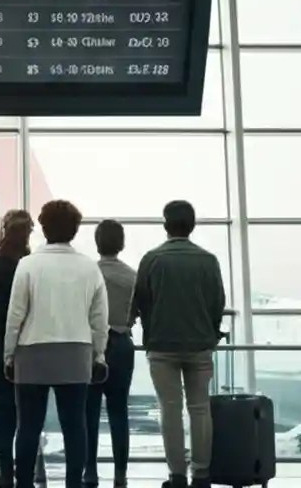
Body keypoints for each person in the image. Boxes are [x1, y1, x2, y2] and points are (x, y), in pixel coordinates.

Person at [4, 200, 108, 488]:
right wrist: (99, 355)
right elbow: (99, 319)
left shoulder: (28, 265)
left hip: (32, 352)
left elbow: (15, 315)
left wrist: (9, 355)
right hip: (76, 353)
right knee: (75, 426)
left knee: (27, 428)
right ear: (75, 230)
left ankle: (23, 483)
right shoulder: (89, 268)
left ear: (44, 228)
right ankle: (74, 482)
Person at [134, 201, 227, 488]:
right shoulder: (208, 260)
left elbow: (140, 302)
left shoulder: (152, 259)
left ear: (165, 225)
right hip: (200, 345)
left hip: (162, 346)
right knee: (200, 408)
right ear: (192, 225)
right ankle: (201, 473)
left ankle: (176, 475)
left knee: (170, 409)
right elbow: (217, 303)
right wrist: (210, 331)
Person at [0, 209, 47, 488]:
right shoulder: (34, 266)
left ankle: (5, 474)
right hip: (31, 340)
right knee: (30, 413)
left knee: (3, 409)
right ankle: (30, 473)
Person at [85, 220, 138, 488]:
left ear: (97, 243)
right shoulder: (132, 275)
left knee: (89, 411)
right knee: (119, 412)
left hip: (92, 346)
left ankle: (90, 472)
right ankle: (120, 474)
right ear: (122, 243)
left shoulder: (87, 274)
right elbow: (138, 311)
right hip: (122, 344)